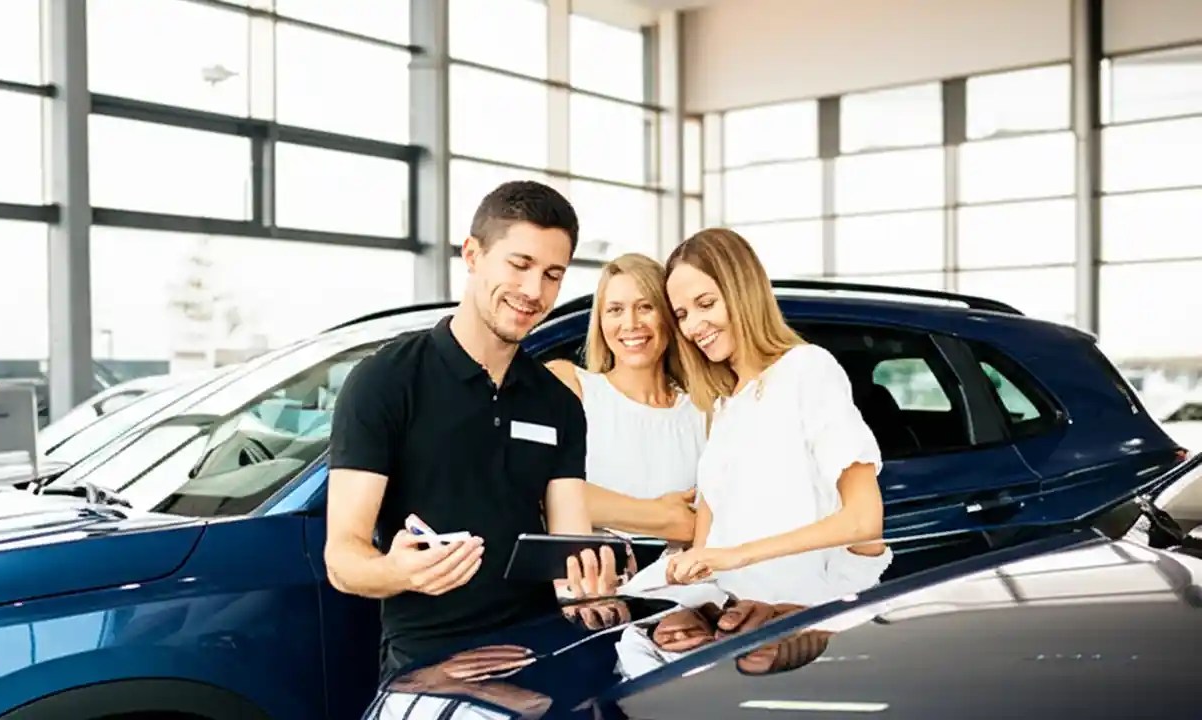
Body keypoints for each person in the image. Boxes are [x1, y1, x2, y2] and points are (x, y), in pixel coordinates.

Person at [324, 180, 619, 677]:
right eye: (519, 265)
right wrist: (395, 571)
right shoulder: (386, 381)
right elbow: (342, 558)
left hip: (540, 654)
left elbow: (569, 547)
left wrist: (590, 585)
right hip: (429, 663)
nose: (534, 291)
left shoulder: (559, 404)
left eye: (552, 275)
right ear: (473, 255)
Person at [659, 227, 891, 607]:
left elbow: (864, 522)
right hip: (733, 618)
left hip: (797, 616)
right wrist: (686, 578)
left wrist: (737, 556)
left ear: (743, 292)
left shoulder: (806, 369)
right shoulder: (723, 405)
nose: (693, 326)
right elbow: (707, 548)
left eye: (706, 303)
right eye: (682, 314)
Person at [544, 253, 706, 544]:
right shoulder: (571, 386)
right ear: (600, 321)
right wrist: (660, 517)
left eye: (646, 307)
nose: (631, 323)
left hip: (681, 574)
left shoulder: (703, 412)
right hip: (591, 573)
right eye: (615, 309)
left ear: (668, 316)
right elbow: (533, 488)